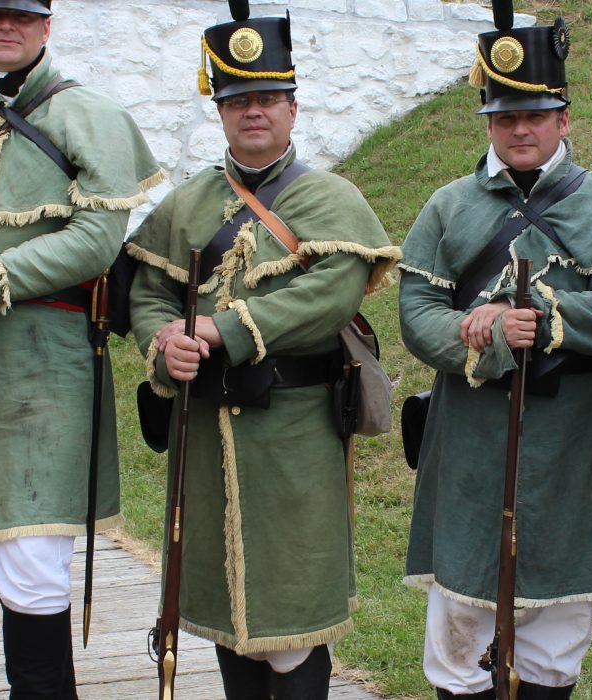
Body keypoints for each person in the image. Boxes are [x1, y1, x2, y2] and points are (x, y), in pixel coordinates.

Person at [124, 4, 400, 696]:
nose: (254, 111)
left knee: (294, 616)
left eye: (268, 99)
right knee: (227, 615)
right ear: (220, 111)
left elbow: (332, 295)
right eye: (238, 100)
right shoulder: (187, 204)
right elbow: (150, 293)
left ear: (292, 109)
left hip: (296, 432)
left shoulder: (331, 198)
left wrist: (221, 329)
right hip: (205, 433)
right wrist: (164, 345)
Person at [0, 0, 165, 695]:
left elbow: (95, 241)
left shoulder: (91, 116)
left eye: (21, 14)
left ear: (46, 26)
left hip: (49, 364)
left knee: (34, 557)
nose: (5, 26)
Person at [395, 3, 592, 697]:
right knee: (460, 622)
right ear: (488, 123)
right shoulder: (448, 206)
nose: (520, 129)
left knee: (555, 634)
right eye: (505, 116)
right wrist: (478, 337)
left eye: (535, 115)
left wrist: (530, 315)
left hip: (576, 439)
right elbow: (417, 313)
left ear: (563, 119)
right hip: (471, 435)